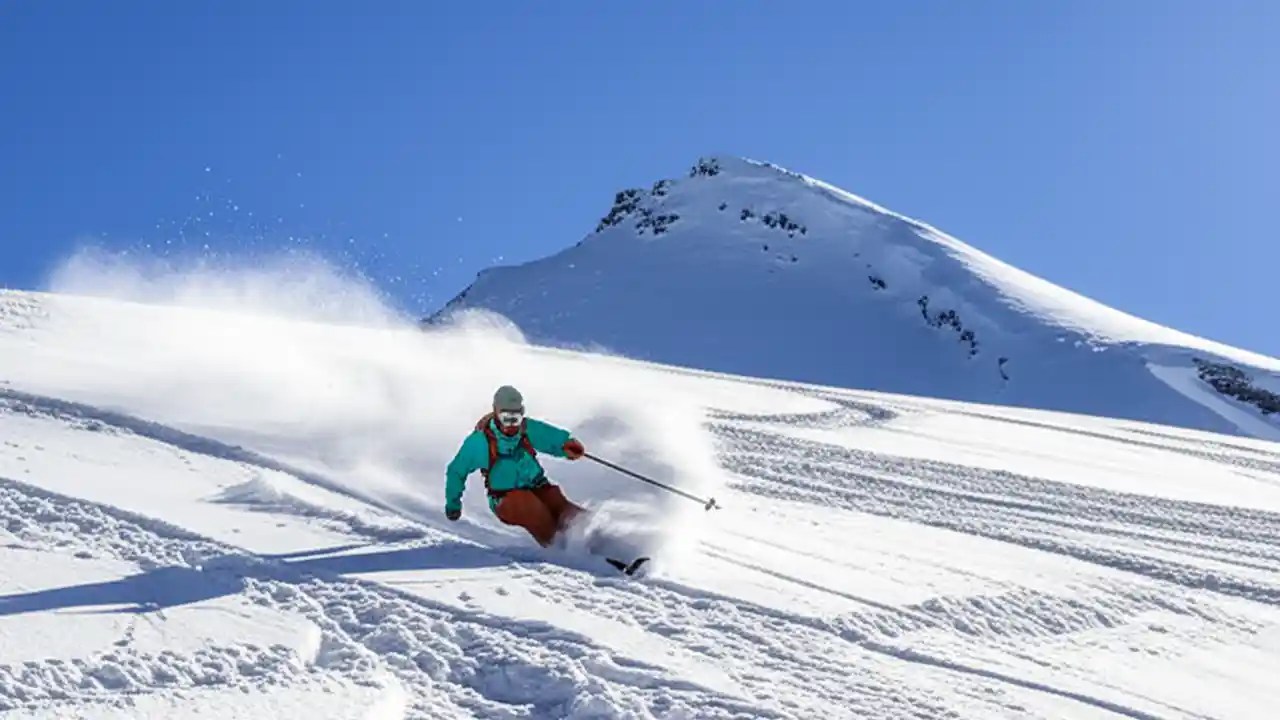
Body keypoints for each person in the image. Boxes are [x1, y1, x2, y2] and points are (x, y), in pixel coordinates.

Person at [444, 385, 588, 547]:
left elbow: (550, 438)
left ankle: (594, 539)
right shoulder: (480, 442)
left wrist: (567, 445)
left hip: (538, 487)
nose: (512, 425)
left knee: (560, 505)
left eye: (517, 418)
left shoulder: (525, 429)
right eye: (507, 418)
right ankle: (562, 548)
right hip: (505, 498)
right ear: (496, 413)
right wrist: (453, 504)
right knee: (530, 506)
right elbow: (456, 471)